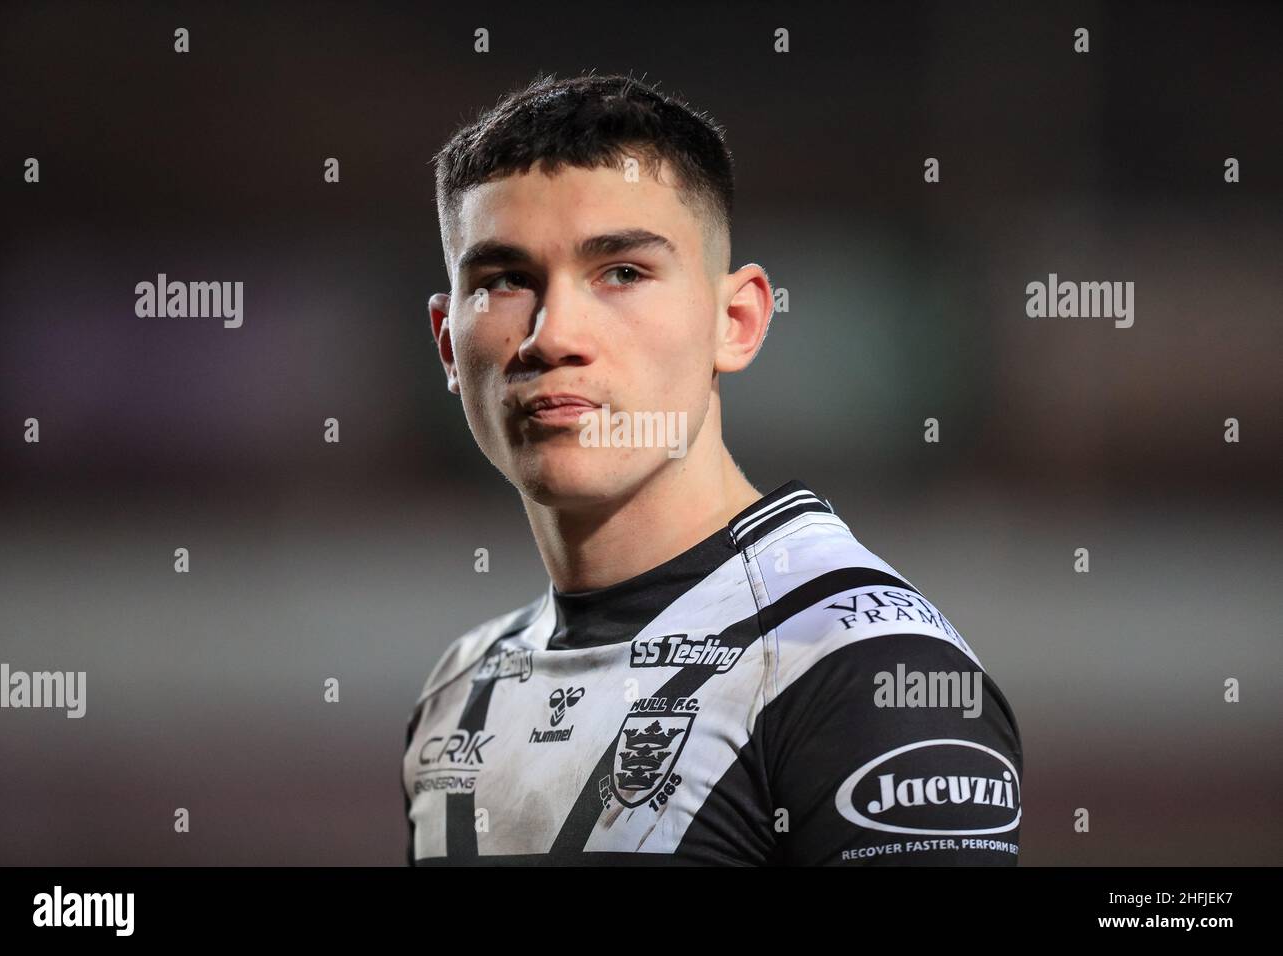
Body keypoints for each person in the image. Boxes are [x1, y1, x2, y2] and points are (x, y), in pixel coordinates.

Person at [404, 71, 1022, 865]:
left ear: (736, 322)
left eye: (621, 271)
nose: (553, 335)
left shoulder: (859, 669)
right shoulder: (459, 697)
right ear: (449, 344)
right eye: (504, 281)